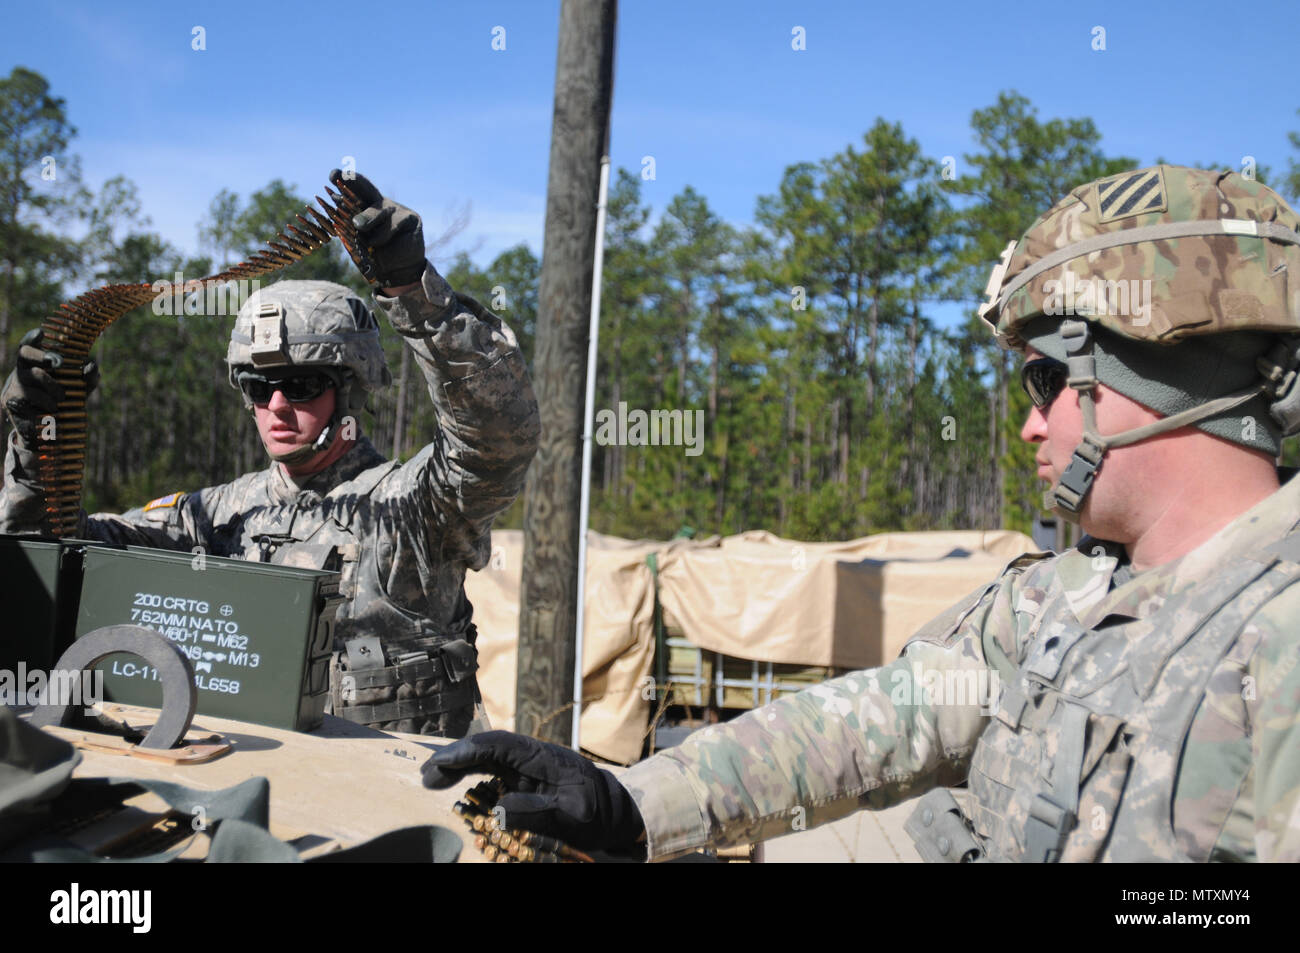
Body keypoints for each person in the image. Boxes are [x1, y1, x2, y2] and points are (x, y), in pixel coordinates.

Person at [422, 164, 1300, 861]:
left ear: (1161, 375)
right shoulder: (1056, 603)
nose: (1030, 421)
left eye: (1047, 379)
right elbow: (871, 724)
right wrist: (631, 804)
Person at [0, 172, 540, 738]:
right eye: (259, 388)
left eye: (302, 384)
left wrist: (417, 296)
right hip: (253, 783)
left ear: (351, 389)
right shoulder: (216, 518)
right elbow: (58, 554)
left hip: (395, 801)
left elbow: (498, 437)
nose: (277, 406)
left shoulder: (414, 510)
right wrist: (40, 443)